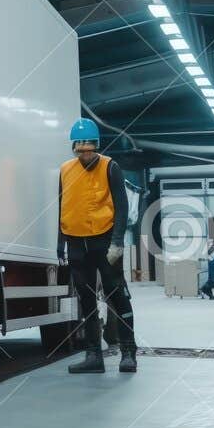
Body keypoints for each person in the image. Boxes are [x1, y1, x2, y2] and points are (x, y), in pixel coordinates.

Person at [58, 118, 137, 374]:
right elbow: (63, 205)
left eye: (89, 149)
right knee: (86, 299)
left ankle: (128, 352)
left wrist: (117, 242)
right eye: (80, 150)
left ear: (97, 146)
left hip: (104, 242)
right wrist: (60, 244)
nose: (85, 155)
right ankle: (93, 356)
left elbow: (122, 207)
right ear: (74, 148)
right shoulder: (65, 170)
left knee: (117, 294)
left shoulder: (110, 167)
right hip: (76, 244)